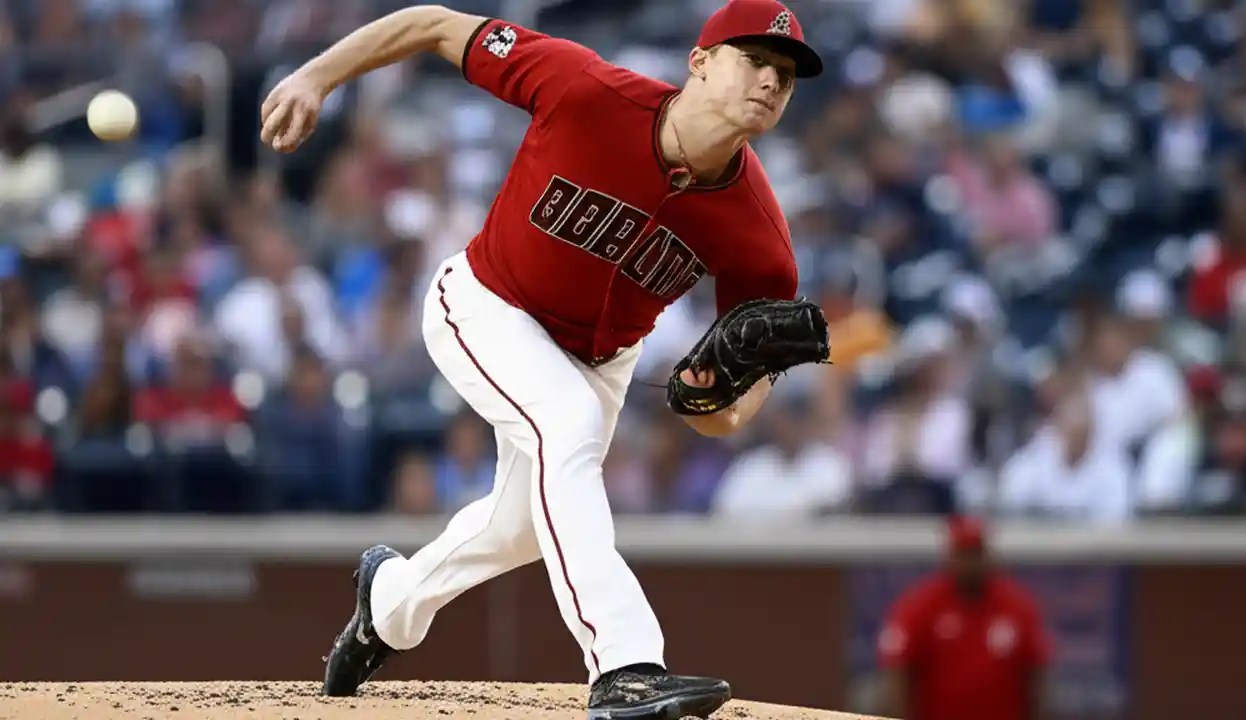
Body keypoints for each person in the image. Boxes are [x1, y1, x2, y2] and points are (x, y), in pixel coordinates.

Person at [258, 1, 823, 718]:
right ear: (700, 62)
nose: (772, 82)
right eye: (756, 61)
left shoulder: (761, 240)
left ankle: (391, 603)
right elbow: (435, 24)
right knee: (569, 424)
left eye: (786, 76)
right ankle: (625, 665)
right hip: (488, 304)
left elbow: (727, 416)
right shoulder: (587, 90)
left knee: (522, 527)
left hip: (603, 359)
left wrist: (714, 397)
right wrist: (318, 75)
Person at [878, 517, 1052, 720]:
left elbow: (1037, 674)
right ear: (950, 556)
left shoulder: (1017, 605)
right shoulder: (921, 604)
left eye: (975, 554)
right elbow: (897, 670)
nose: (970, 563)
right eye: (963, 554)